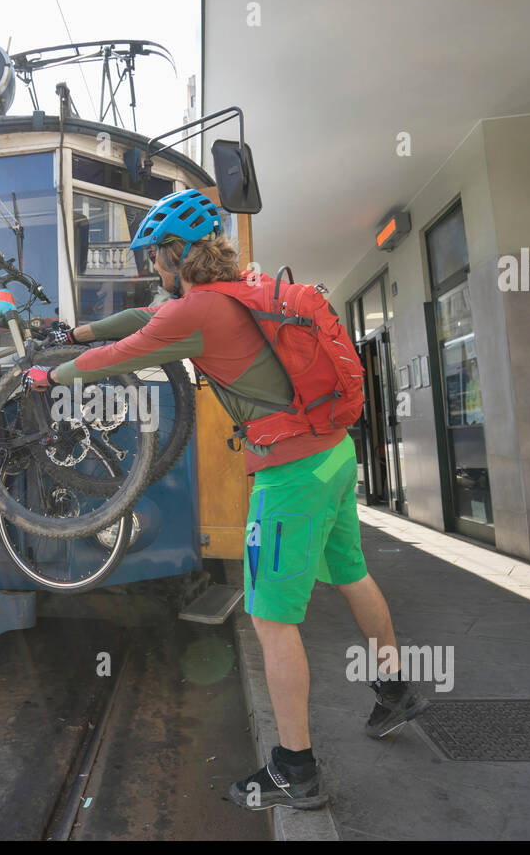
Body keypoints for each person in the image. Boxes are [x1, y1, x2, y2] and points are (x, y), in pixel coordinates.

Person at [27, 189, 427, 811]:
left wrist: (50, 372)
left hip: (290, 475)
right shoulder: (233, 293)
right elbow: (139, 322)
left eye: (157, 257)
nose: (153, 270)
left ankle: (296, 768)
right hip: (334, 454)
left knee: (271, 620)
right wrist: (75, 329)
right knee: (351, 573)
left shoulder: (195, 312)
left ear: (178, 253)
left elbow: (123, 353)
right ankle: (397, 688)